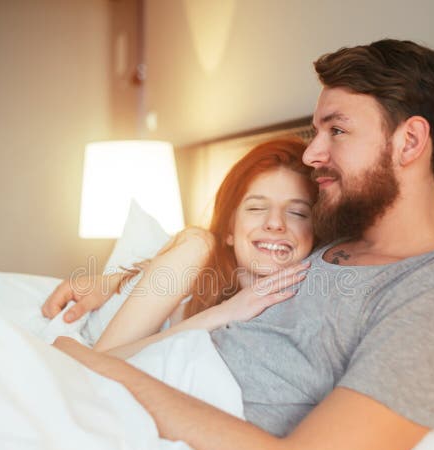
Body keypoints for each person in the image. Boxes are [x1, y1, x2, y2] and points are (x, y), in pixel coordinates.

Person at [52, 39, 434, 450]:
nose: (312, 154)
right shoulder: (331, 241)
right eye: (315, 132)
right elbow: (224, 260)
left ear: (409, 142)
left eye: (337, 130)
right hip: (117, 396)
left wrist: (94, 368)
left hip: (136, 416)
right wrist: (121, 279)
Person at [41, 137, 317, 354]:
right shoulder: (198, 246)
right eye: (256, 207)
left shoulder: (313, 296)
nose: (275, 223)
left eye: (297, 213)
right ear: (229, 229)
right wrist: (224, 313)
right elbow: (102, 361)